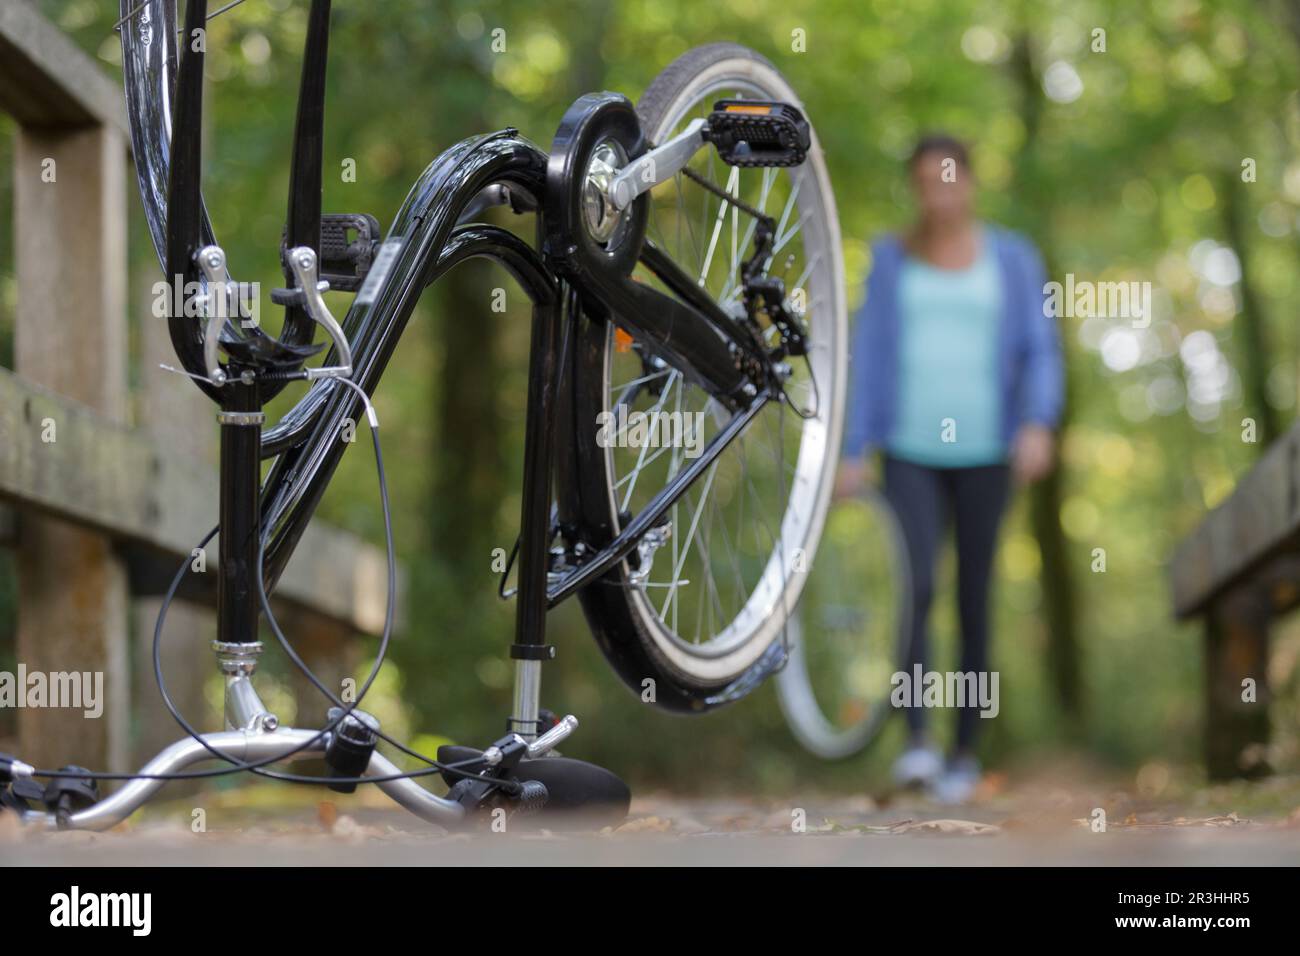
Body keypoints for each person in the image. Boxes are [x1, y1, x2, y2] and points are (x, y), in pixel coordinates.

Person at [835, 134, 1063, 803]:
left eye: (949, 180)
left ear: (970, 183)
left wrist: (1037, 422)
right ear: (917, 189)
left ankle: (965, 752)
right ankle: (916, 745)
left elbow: (1040, 348)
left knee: (974, 600)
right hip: (907, 450)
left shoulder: (1014, 260)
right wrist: (853, 449)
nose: (939, 194)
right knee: (917, 587)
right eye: (925, 183)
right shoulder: (889, 258)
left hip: (988, 451)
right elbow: (866, 354)